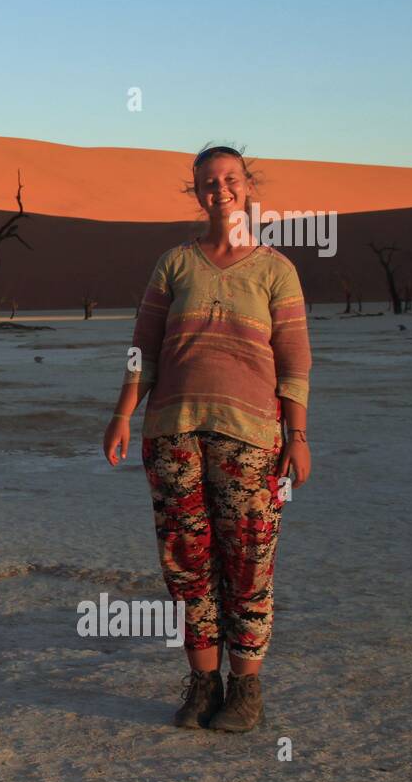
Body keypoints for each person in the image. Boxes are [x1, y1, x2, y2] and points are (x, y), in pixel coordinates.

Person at [102, 145, 312, 732]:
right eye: (208, 182)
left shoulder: (276, 269)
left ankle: (246, 689)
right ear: (197, 192)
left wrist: (297, 434)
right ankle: (202, 685)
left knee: (248, 561)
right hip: (173, 434)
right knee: (186, 564)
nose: (220, 189)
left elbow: (294, 360)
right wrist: (121, 414)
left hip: (251, 438)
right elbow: (143, 348)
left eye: (230, 179)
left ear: (247, 186)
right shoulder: (174, 263)